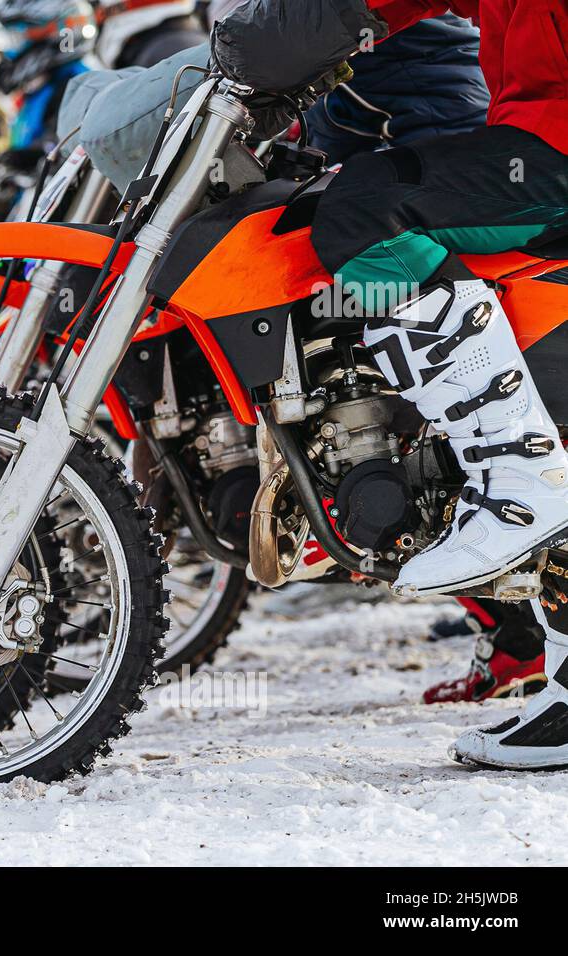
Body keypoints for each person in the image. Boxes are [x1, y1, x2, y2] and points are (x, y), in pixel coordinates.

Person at [211, 0, 568, 768]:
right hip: (536, 141)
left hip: (554, 152)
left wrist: (252, 46)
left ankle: (519, 479)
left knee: (370, 213)